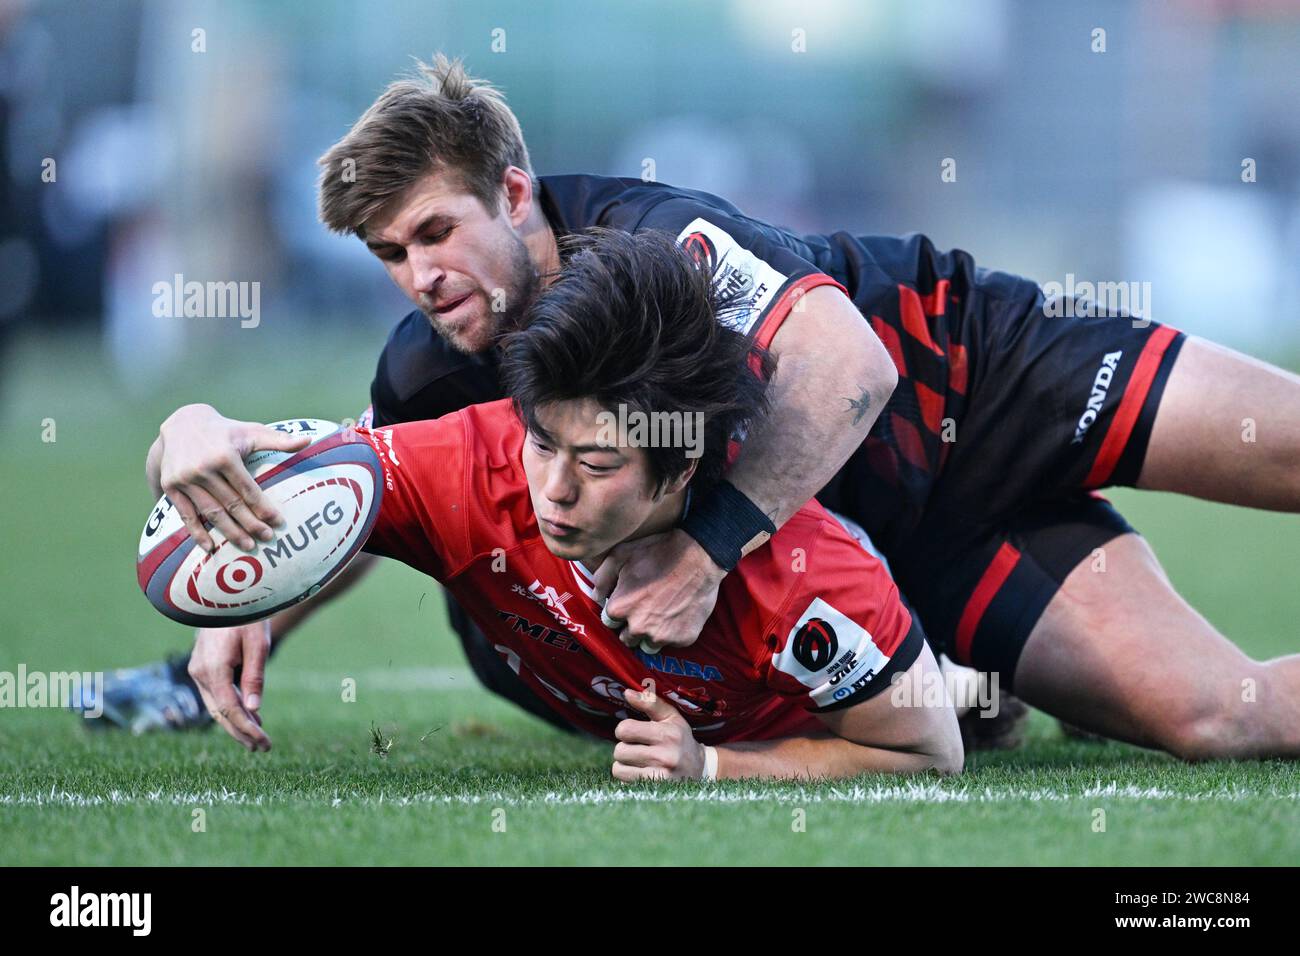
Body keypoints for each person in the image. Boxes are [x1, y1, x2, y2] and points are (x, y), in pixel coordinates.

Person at [104, 55, 1300, 762]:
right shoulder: (434, 364)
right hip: (925, 549)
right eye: (387, 253)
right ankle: (991, 676)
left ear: (513, 192)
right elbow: (378, 494)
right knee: (1217, 714)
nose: (420, 274)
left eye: (435, 230)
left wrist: (706, 544)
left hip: (976, 374)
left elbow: (847, 368)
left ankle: (989, 686)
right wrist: (255, 581)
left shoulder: (657, 236)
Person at [187, 230, 963, 779]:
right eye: (541, 442)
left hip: (794, 707)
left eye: (597, 463)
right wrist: (191, 435)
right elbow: (282, 477)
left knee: (968, 709)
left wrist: (715, 766)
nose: (553, 489)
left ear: (681, 464)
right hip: (544, 678)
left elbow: (926, 756)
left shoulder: (808, 584)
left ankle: (968, 676)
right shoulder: (469, 462)